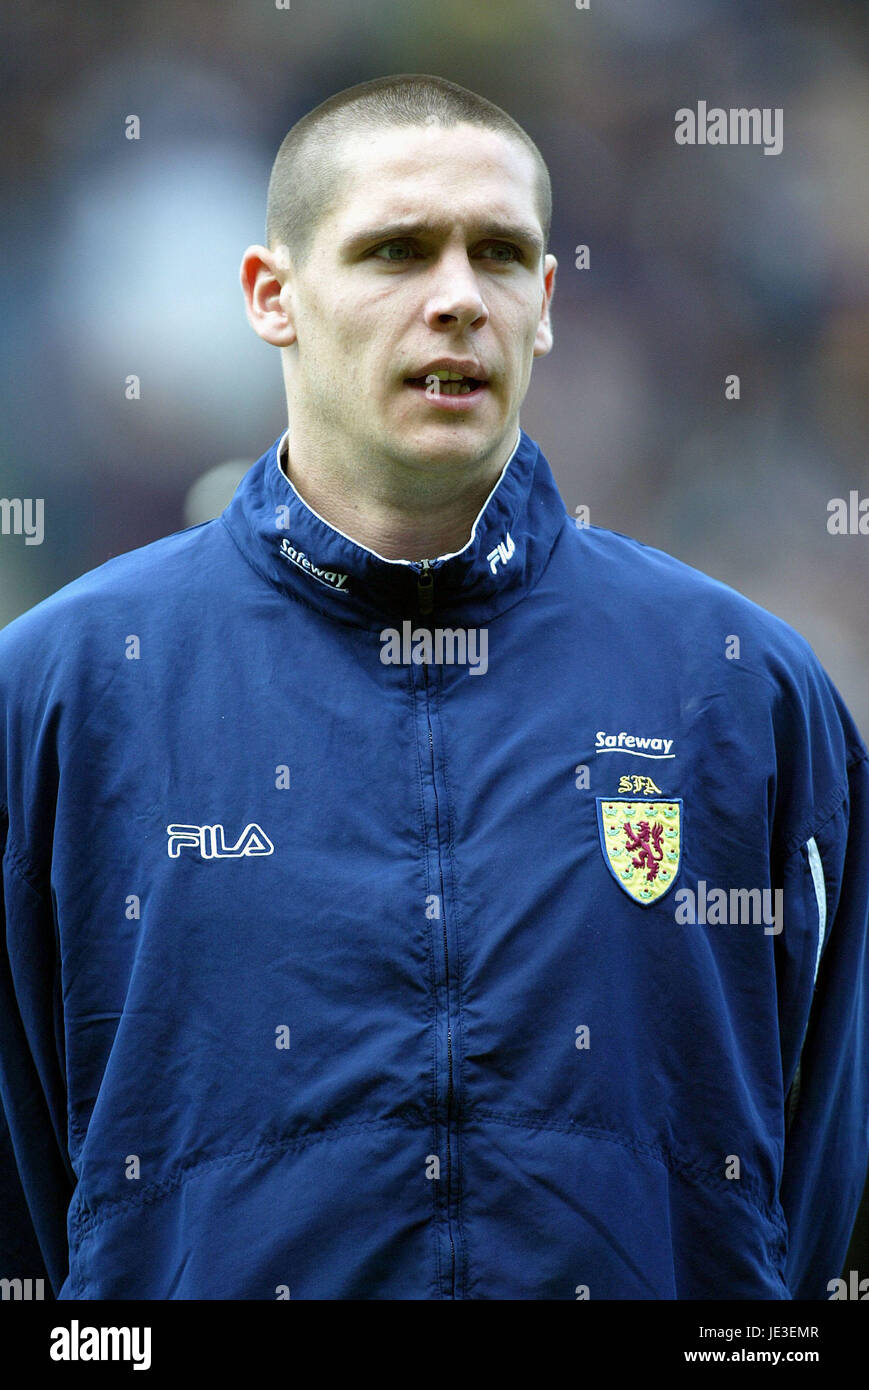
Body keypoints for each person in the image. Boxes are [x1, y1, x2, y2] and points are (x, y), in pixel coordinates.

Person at [0, 73, 866, 1302]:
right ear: (272, 296)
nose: (456, 298)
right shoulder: (60, 693)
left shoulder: (743, 690)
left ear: (546, 303)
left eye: (499, 255)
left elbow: (816, 1195)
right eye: (396, 250)